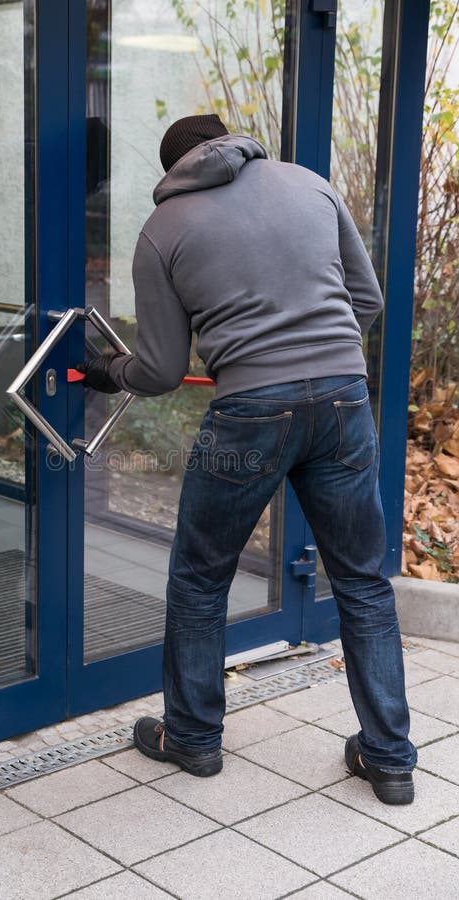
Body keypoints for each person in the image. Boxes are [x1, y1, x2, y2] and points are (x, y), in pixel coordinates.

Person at [77, 114, 417, 805]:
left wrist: (109, 369)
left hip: (251, 413)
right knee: (361, 582)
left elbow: (163, 369)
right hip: (345, 402)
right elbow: (368, 300)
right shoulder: (308, 186)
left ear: (173, 168)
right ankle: (388, 761)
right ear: (234, 140)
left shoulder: (164, 229)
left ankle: (194, 741)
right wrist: (319, 355)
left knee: (201, 579)